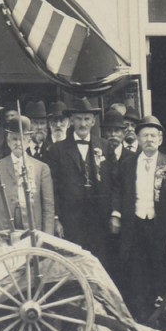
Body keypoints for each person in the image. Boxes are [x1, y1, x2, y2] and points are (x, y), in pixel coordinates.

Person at [108, 116, 166, 321]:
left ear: (160, 139)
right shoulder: (127, 163)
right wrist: (116, 214)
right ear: (138, 139)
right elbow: (118, 191)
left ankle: (162, 320)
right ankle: (140, 319)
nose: (149, 139)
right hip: (135, 226)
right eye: (145, 135)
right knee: (137, 273)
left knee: (160, 273)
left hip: (160, 228)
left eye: (153, 135)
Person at [47, 97, 111, 264]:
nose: (83, 124)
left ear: (93, 121)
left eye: (87, 119)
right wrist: (56, 219)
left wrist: (114, 214)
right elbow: (52, 187)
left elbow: (114, 182)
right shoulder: (57, 150)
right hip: (71, 220)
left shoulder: (104, 147)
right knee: (72, 263)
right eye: (79, 119)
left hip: (99, 219)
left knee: (99, 262)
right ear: (72, 121)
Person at [0, 113, 55, 235]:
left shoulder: (41, 168)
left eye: (22, 139)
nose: (18, 143)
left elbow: (48, 207)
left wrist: (47, 237)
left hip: (33, 227)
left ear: (28, 142)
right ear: (8, 141)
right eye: (14, 139)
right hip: (4, 228)